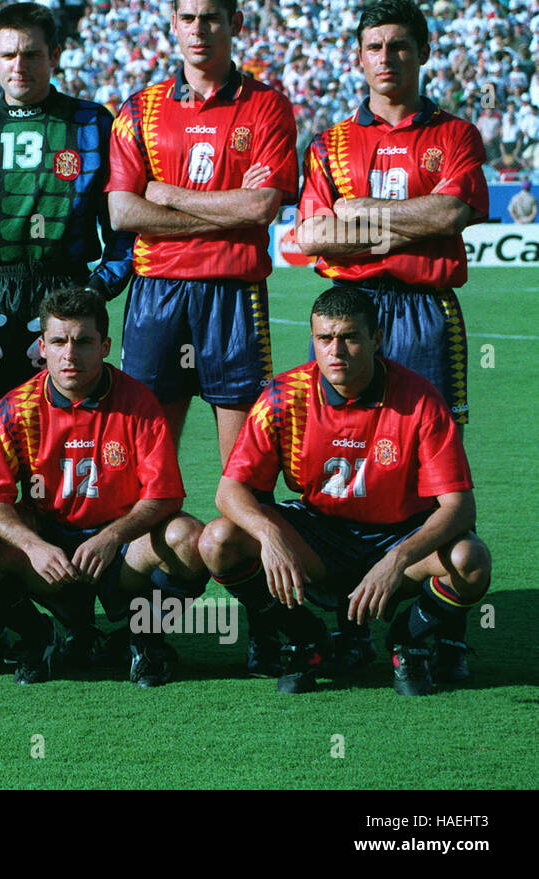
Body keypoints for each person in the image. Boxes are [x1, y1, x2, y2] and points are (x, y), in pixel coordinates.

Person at [199, 288, 491, 695]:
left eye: (351, 337)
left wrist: (397, 559)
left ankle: (407, 641)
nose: (336, 351)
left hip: (398, 534)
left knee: (470, 559)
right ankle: (305, 635)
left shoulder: (420, 400)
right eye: (324, 338)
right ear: (313, 339)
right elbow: (230, 490)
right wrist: (270, 536)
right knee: (218, 540)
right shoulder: (284, 395)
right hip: (321, 534)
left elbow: (459, 508)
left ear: (378, 339)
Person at [0, 287, 205, 686]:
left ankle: (144, 637)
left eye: (83, 341)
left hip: (120, 551)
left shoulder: (138, 402)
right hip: (49, 549)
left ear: (105, 345)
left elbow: (165, 494)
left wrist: (111, 537)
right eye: (59, 341)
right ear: (42, 347)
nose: (70, 354)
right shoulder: (16, 407)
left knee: (190, 539)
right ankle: (38, 633)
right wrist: (33, 546)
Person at [107, 0, 298, 465]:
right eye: (189, 18)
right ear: (174, 23)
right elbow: (124, 212)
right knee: (147, 463)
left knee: (243, 465)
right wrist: (230, 211)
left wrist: (167, 194)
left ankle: (233, 544)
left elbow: (262, 206)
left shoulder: (268, 107)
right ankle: (148, 545)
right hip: (157, 290)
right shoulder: (139, 109)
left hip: (234, 291)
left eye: (211, 18)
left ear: (234, 22)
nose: (199, 30)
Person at [0, 0, 131, 426]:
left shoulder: (92, 123)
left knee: (66, 437)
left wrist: (90, 298)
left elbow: (124, 231)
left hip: (68, 290)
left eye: (33, 53)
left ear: (55, 56)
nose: (20, 65)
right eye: (9, 54)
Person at [296, 0, 487, 428]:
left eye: (399, 46)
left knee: (434, 444)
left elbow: (451, 215)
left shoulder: (456, 135)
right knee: (341, 435)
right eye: (375, 47)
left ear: (423, 53)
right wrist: (417, 224)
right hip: (346, 308)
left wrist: (361, 210)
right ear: (359, 56)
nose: (387, 58)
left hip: (425, 307)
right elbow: (313, 237)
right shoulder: (328, 144)